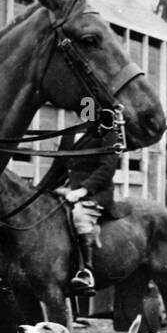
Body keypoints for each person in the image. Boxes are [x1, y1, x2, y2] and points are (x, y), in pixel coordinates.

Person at [39, 120, 120, 293]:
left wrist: (83, 190)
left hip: (94, 192)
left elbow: (107, 168)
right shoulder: (69, 133)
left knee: (79, 215)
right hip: (66, 188)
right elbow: (57, 167)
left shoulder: (108, 132)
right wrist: (38, 192)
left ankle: (86, 272)